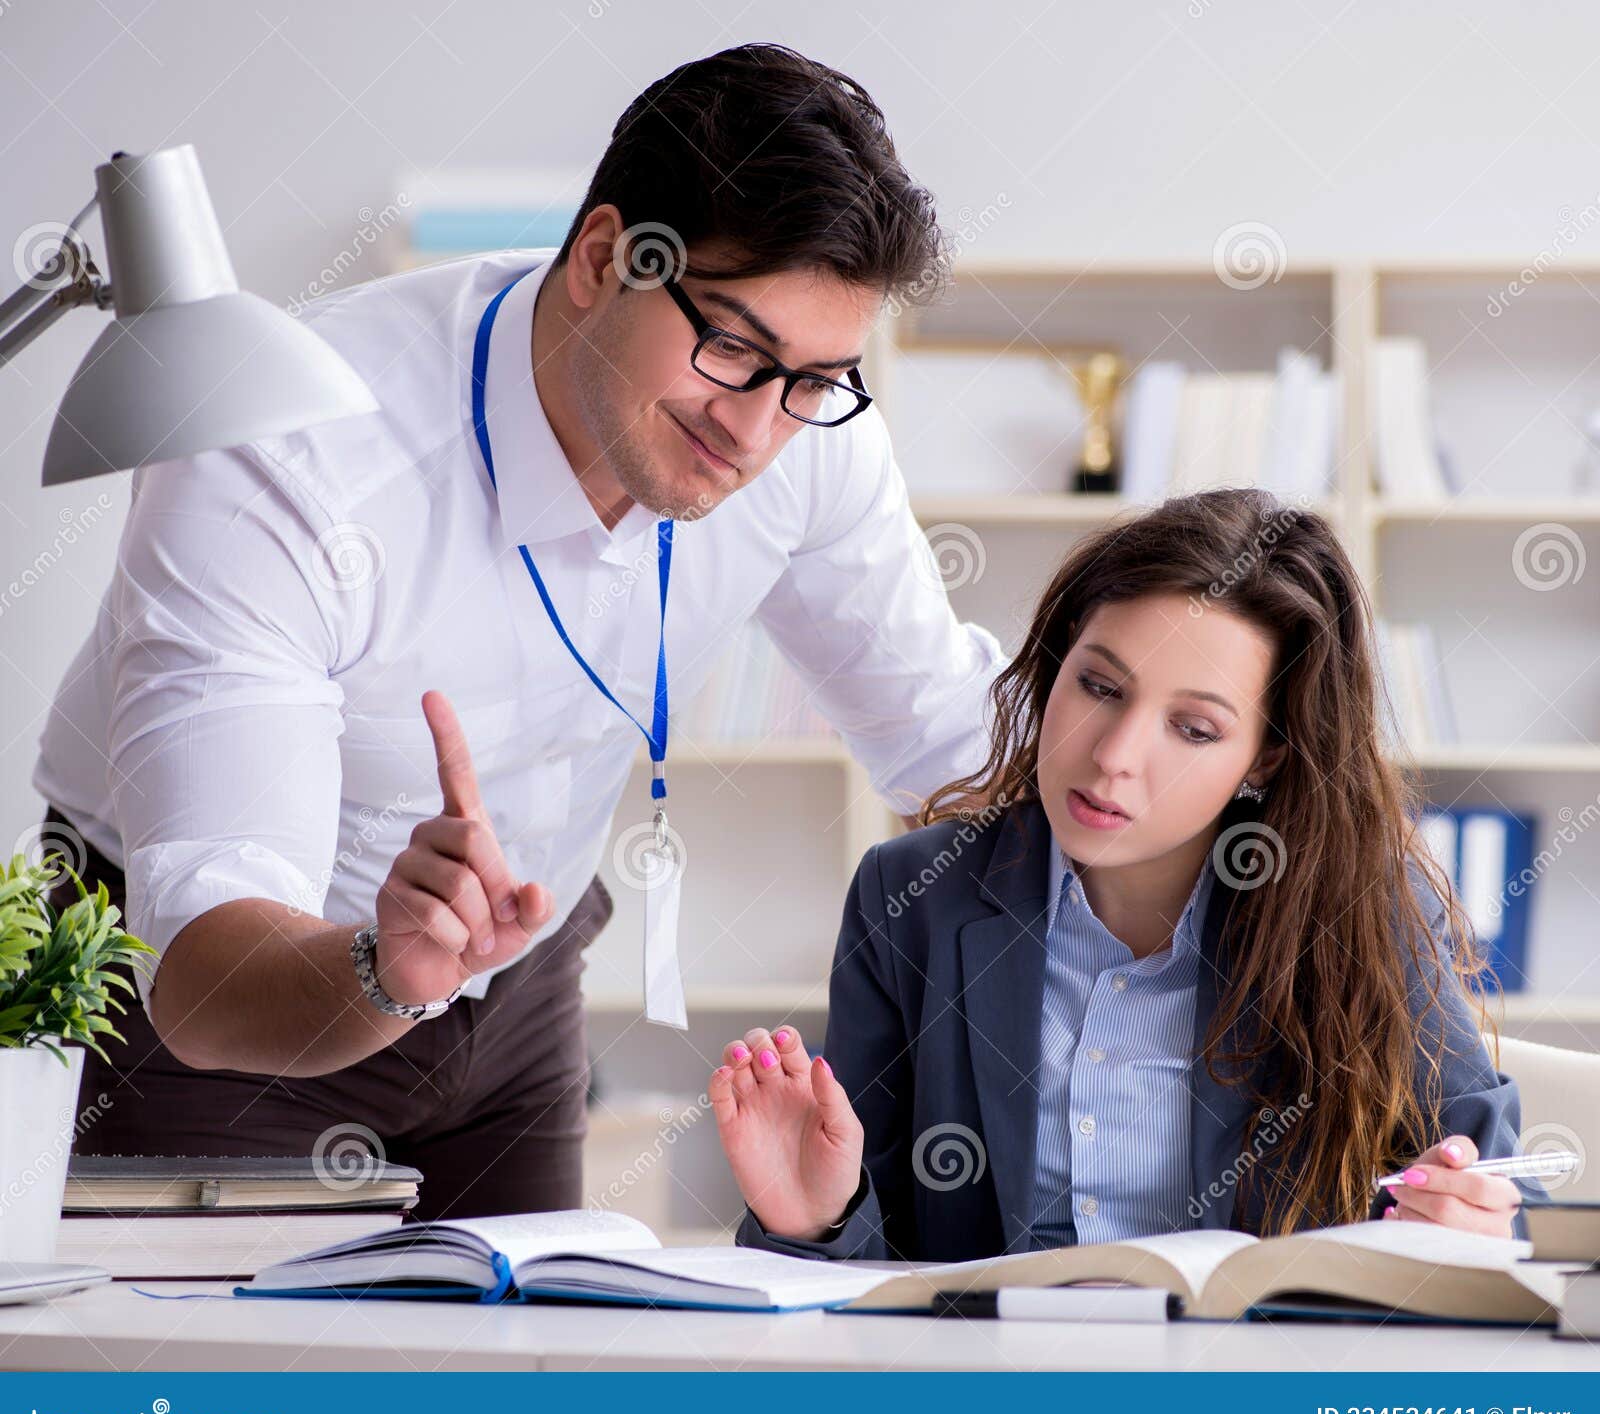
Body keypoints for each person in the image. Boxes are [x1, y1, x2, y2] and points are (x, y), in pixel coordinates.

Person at [29, 43, 1003, 1223]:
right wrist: (381, 969)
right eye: (733, 348)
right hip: (230, 1018)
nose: (756, 430)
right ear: (603, 259)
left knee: (511, 1378)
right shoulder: (283, 454)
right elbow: (206, 966)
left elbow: (954, 743)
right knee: (224, 1403)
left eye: (813, 377)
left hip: (517, 984)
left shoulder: (809, 429)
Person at [708, 488, 1528, 1260]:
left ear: (1266, 757)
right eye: (1099, 686)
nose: (1113, 756)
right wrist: (816, 1217)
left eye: (1195, 728)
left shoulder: (1357, 903)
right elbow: (872, 1288)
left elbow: (1497, 1194)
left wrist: (1467, 1219)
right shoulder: (913, 898)